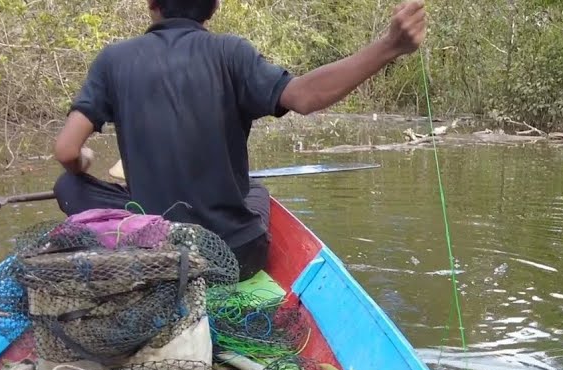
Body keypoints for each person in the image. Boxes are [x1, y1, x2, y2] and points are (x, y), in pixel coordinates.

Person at [52, 0, 427, 279]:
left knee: (70, 186)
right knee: (257, 192)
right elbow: (305, 96)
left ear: (152, 4)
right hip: (233, 257)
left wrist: (82, 160)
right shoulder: (232, 53)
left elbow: (66, 150)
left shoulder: (113, 60)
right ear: (213, 8)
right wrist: (389, 46)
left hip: (153, 248)